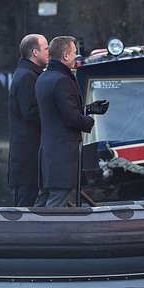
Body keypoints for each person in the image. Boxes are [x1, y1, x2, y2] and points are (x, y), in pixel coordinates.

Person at [34, 36, 107, 207]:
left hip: (48, 150)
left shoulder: (43, 78)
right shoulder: (61, 80)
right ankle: (47, 233)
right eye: (75, 53)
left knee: (43, 198)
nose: (77, 57)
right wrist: (89, 121)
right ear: (66, 56)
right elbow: (71, 118)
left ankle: (30, 230)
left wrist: (88, 108)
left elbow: (58, 111)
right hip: (62, 153)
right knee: (58, 198)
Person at [8, 33, 48, 207]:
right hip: (28, 155)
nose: (49, 52)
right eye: (46, 48)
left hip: (27, 154)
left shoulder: (27, 74)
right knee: (25, 204)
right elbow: (32, 113)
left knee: (26, 201)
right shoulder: (26, 77)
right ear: (35, 52)